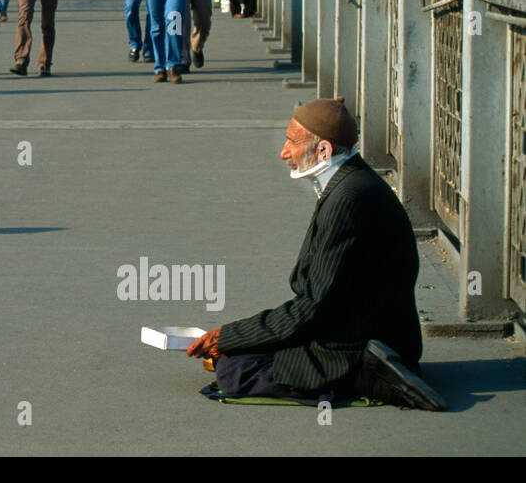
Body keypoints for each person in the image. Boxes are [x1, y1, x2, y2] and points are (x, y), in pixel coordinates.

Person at [187, 99, 445, 410]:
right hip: (368, 324)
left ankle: (368, 374)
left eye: (291, 142)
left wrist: (227, 336)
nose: (284, 152)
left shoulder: (347, 198)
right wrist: (236, 338)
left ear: (323, 150)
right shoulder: (353, 180)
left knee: (236, 369)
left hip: (360, 340)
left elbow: (314, 307)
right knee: (238, 351)